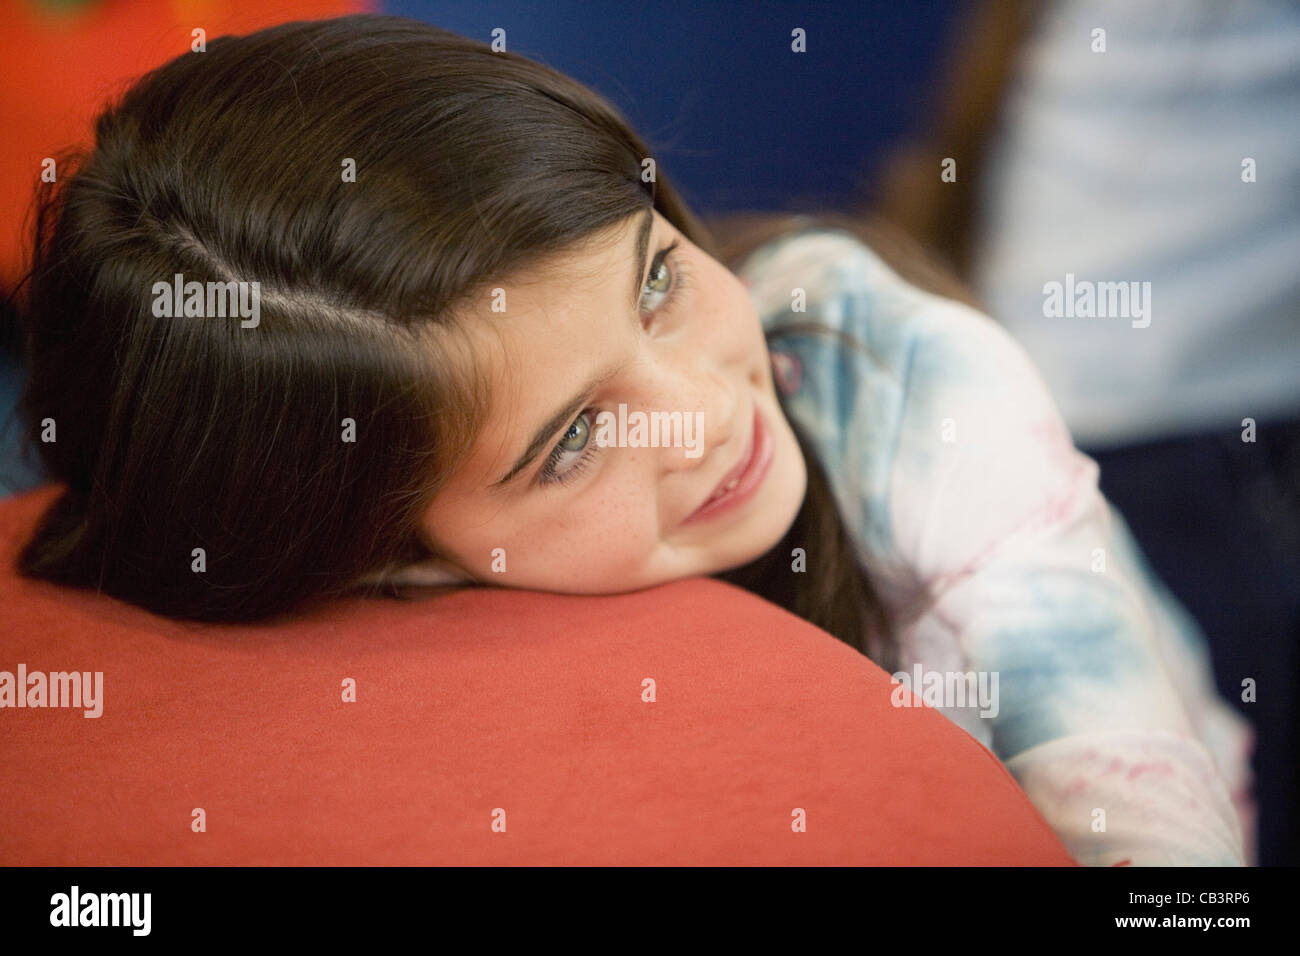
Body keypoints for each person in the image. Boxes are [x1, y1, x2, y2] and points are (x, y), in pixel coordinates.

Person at [12, 14, 1249, 865]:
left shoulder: (911, 386)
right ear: (397, 560)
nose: (704, 412)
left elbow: (1135, 802)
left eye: (656, 281)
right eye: (570, 440)